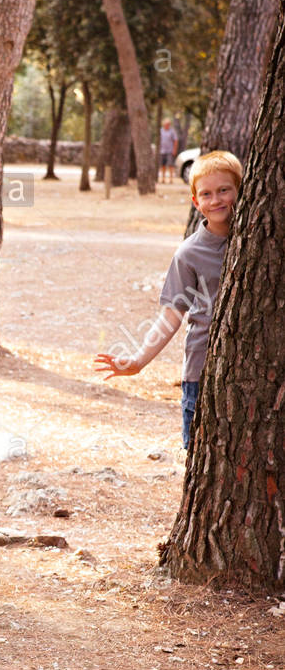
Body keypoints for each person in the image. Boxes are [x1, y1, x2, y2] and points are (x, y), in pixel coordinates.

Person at [94, 150, 242, 448]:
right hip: (204, 370)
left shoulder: (261, 236)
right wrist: (139, 360)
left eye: (224, 190)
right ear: (195, 202)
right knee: (202, 451)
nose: (216, 200)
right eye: (206, 194)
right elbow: (171, 315)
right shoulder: (189, 253)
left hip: (254, 370)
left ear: (241, 190)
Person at [159, 118, 179, 184]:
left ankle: (171, 179)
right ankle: (163, 179)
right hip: (162, 150)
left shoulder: (172, 131)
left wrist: (174, 149)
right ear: (164, 124)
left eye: (168, 124)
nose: (167, 125)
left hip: (170, 150)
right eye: (166, 124)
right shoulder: (161, 130)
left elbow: (176, 140)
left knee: (170, 165)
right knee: (162, 165)